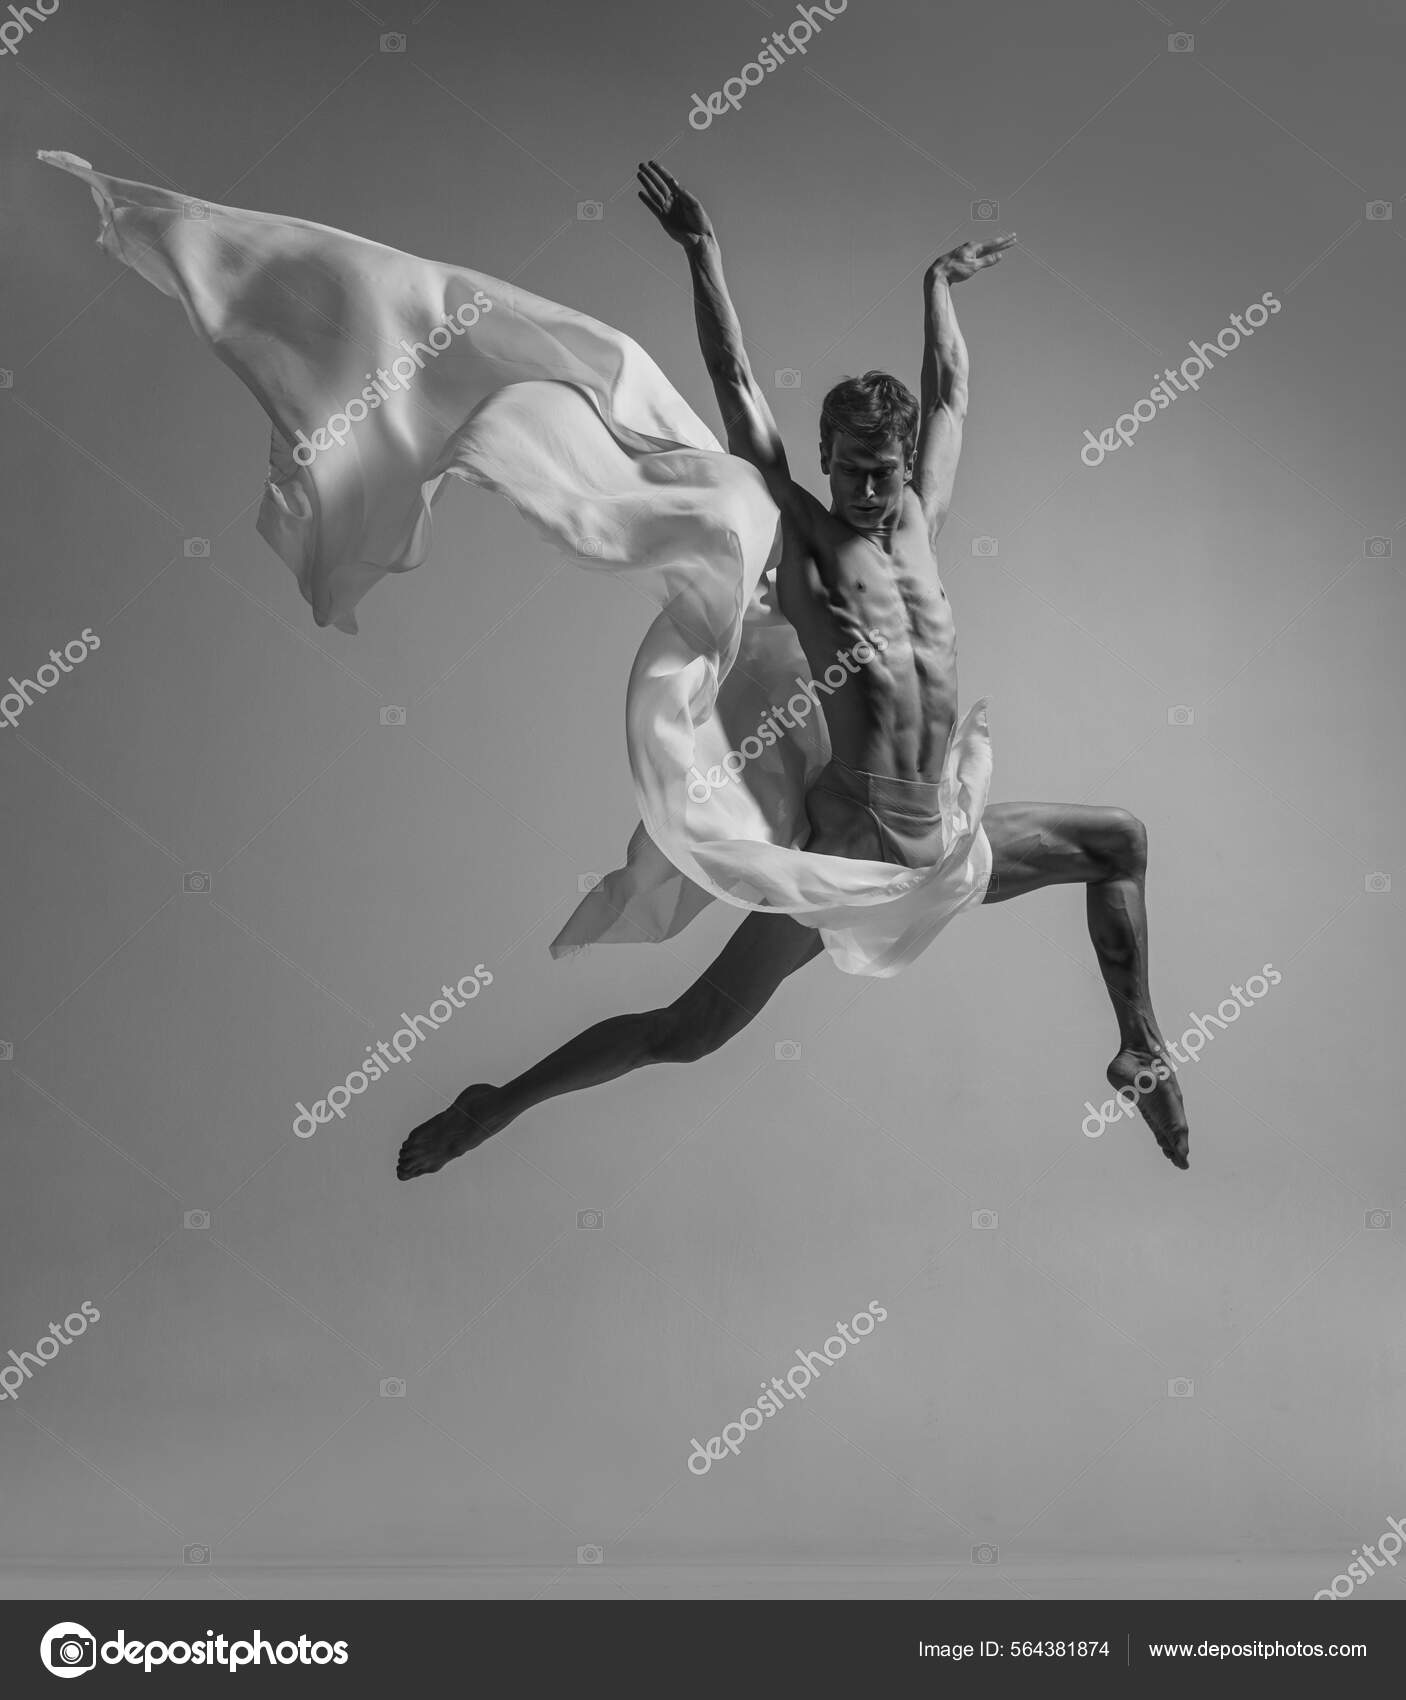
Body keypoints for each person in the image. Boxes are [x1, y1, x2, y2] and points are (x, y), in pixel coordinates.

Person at [396, 160, 1189, 1178]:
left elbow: (949, 392)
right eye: (848, 466)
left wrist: (936, 288)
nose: (865, 484)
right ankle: (492, 1104)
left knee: (1117, 841)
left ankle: (1137, 1043)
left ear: (903, 466)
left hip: (937, 839)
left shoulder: (918, 521)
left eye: (882, 468)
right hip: (843, 854)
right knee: (684, 1032)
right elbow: (733, 383)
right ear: (822, 458)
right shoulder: (807, 540)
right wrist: (701, 252)